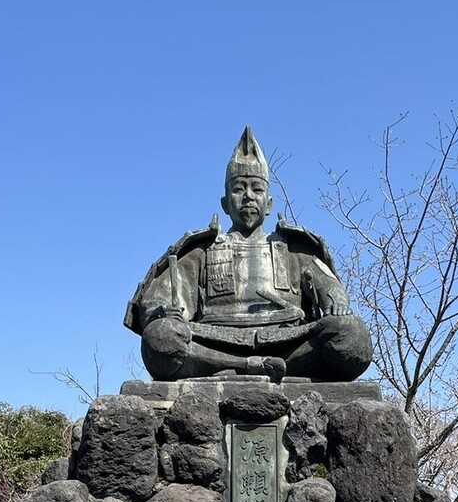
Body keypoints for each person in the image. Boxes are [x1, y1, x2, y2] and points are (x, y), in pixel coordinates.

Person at [124, 128, 373, 382]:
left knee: (351, 335)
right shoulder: (202, 251)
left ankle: (244, 368)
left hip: (289, 344)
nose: (248, 197)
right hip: (213, 343)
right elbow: (157, 300)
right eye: (239, 189)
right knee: (160, 338)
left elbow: (330, 285)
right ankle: (247, 365)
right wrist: (162, 312)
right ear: (224, 203)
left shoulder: (296, 249)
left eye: (257, 189)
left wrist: (335, 299)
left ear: (269, 204)